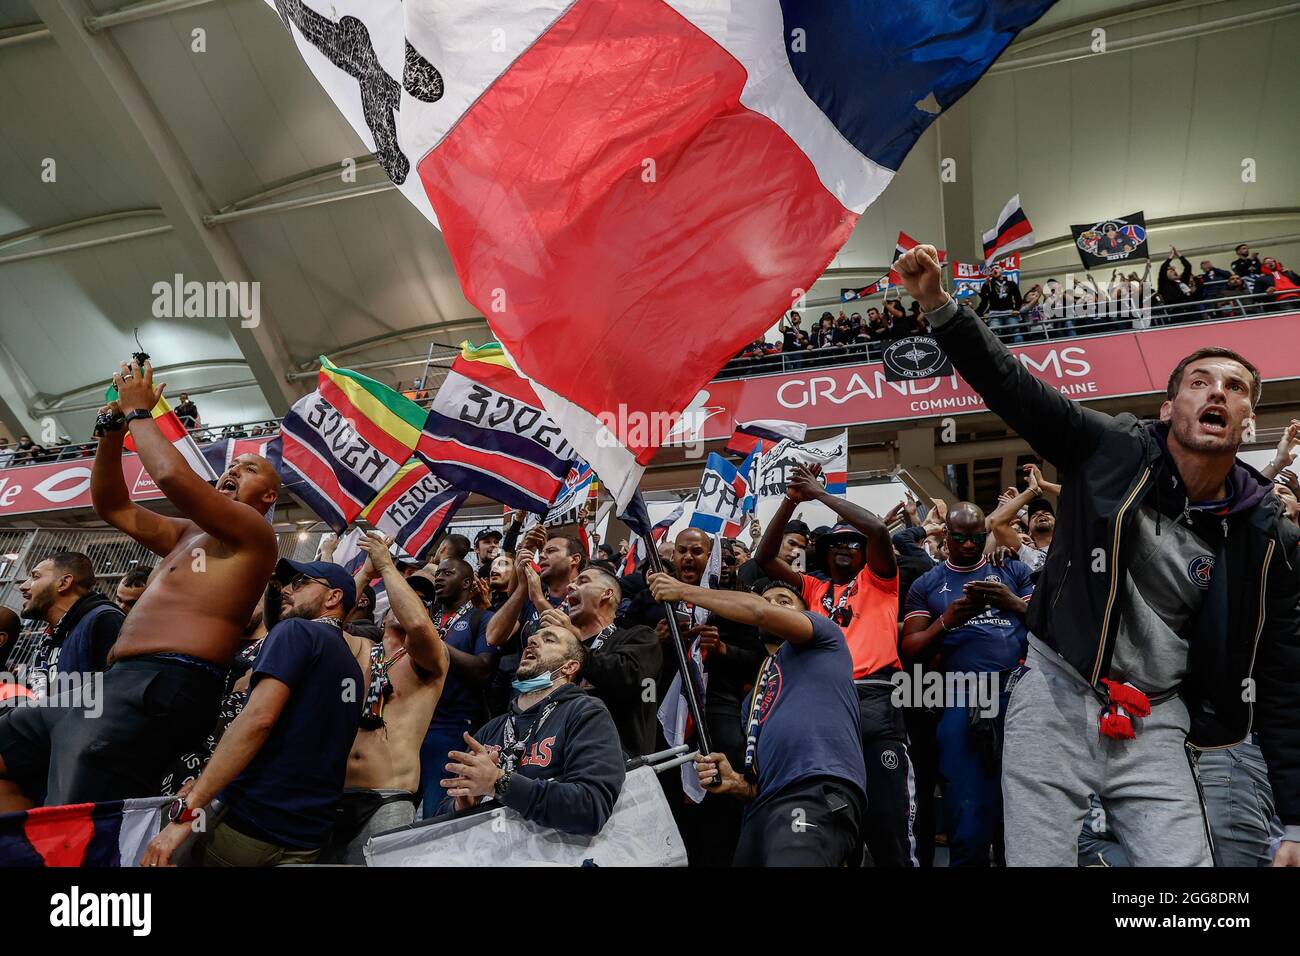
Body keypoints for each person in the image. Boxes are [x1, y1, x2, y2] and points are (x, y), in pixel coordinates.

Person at [896, 241, 1300, 867]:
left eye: (1235, 387)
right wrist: (939, 305)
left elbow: (1280, 675)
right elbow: (1016, 389)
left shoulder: (1267, 535)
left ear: (1247, 417)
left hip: (1158, 717)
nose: (1216, 393)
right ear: (1169, 409)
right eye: (1199, 381)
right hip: (1055, 691)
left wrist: (1295, 819)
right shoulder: (1110, 449)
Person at [3, 360, 280, 809]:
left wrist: (137, 414)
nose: (233, 471)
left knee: (76, 812)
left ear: (269, 496)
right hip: (114, 680)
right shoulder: (188, 533)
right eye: (232, 467)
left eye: (249, 469)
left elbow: (170, 477)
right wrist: (112, 431)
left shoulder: (255, 534)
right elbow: (113, 505)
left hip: (170, 681)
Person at [140, 559, 365, 866]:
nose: (286, 590)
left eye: (300, 583)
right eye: (287, 583)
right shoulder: (352, 666)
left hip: (249, 827)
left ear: (333, 598)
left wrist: (187, 814)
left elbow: (257, 720)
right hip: (308, 839)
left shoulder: (295, 631)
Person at [649, 573, 865, 866]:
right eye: (767, 599)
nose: (772, 605)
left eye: (784, 602)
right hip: (762, 807)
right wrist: (738, 782)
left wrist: (683, 590)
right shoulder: (752, 701)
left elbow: (758, 610)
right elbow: (758, 782)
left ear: (806, 615)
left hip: (813, 790)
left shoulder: (825, 638)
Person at [755, 463, 913, 866]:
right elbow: (763, 557)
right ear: (823, 552)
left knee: (888, 821)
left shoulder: (880, 580)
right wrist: (792, 500)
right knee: (837, 817)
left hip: (874, 699)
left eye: (852, 543)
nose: (844, 547)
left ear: (864, 553)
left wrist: (819, 493)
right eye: (836, 543)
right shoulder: (813, 587)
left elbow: (877, 529)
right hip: (824, 704)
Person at [901, 503, 1034, 866]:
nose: (970, 546)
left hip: (1019, 689)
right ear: (946, 536)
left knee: (1023, 803)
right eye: (960, 538)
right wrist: (947, 620)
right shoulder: (927, 583)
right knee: (968, 804)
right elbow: (910, 649)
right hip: (963, 691)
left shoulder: (1012, 568)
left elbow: (1050, 626)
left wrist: (1011, 602)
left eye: (977, 538)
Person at [328, 536, 453, 863]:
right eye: (407, 592)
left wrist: (386, 565)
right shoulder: (361, 648)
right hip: (332, 792)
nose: (411, 600)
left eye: (422, 597)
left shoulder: (431, 659)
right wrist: (366, 572)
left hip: (388, 799)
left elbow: (415, 623)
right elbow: (325, 621)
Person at [436, 625, 625, 836]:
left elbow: (590, 808)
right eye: (532, 637)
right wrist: (462, 806)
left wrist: (499, 782)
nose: (532, 641)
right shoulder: (492, 728)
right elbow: (443, 813)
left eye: (550, 639)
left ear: (570, 667)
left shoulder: (585, 712)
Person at [416, 556, 495, 818]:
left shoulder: (482, 618)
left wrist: (433, 643)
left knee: (435, 814)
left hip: (452, 727)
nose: (438, 578)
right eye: (437, 573)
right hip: (414, 724)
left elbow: (482, 669)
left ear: (467, 583)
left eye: (447, 573)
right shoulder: (427, 618)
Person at [18, 552, 124, 689]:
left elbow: (113, 692)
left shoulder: (104, 620)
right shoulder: (53, 632)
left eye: (35, 577)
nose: (23, 586)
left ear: (64, 582)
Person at [987, 464, 1059, 578]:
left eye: (1047, 513)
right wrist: (1031, 491)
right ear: (1029, 532)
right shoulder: (1024, 552)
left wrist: (1043, 484)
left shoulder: (1071, 543)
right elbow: (996, 522)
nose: (1040, 514)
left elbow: (1080, 497)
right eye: (1034, 516)